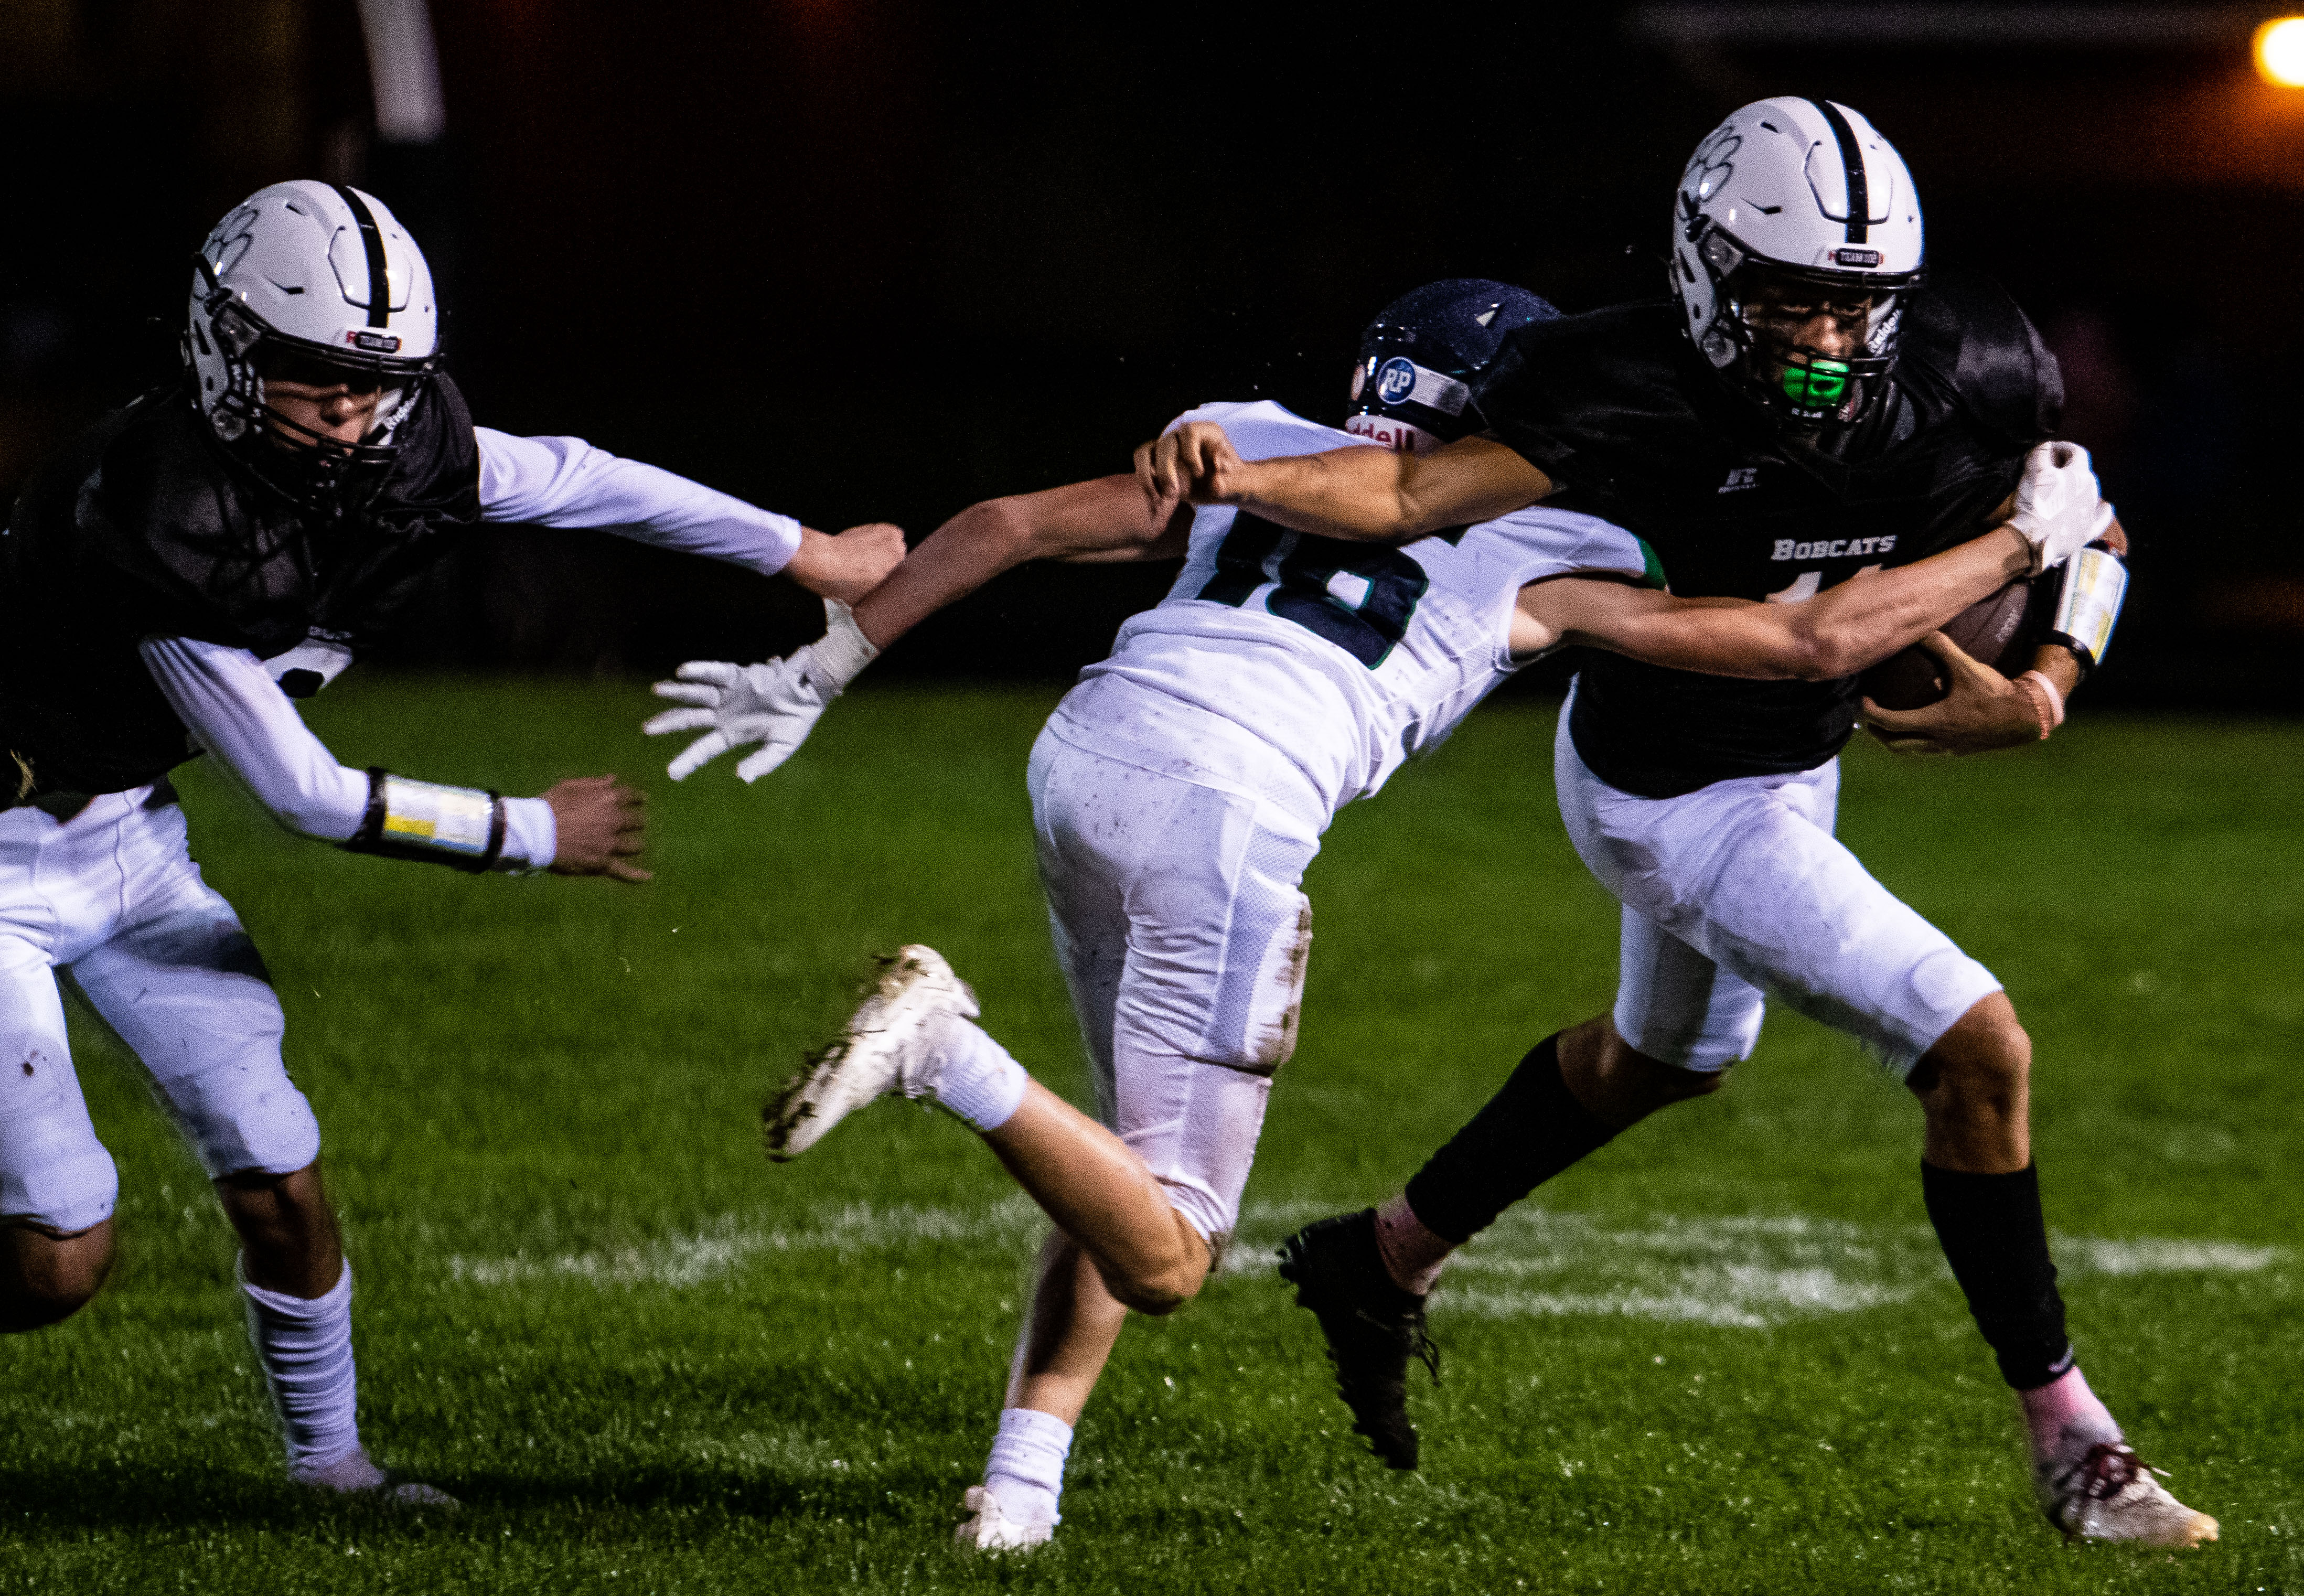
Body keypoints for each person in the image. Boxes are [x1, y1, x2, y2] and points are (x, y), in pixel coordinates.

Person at [648, 274, 2109, 1550]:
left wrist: (823, 666)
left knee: (1112, 1158)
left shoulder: (1250, 440)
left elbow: (1007, 524)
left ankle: (1021, 1485)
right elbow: (1806, 642)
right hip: (1224, 820)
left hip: (1079, 760)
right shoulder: (1557, 542)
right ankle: (944, 1053)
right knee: (1169, 1248)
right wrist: (2013, 565)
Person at [1139, 99, 2192, 1549]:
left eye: (1854, 309)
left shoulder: (1967, 363)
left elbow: (2094, 525)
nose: (1826, 342)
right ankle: (2076, 1442)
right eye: (1790, 303)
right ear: (1704, 271)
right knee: (1979, 1048)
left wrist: (2048, 684)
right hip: (1668, 788)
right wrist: (1235, 470)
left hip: (1791, 757)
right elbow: (1408, 489)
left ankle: (1377, 1258)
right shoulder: (1615, 379)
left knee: (1665, 1057)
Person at [0, 180, 902, 1501]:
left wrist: (806, 553)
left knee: (281, 1175)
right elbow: (303, 793)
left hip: (127, 832)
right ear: (223, 347)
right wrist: (533, 831)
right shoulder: (156, 511)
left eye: (376, 381)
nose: (351, 411)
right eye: (316, 377)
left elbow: (581, 479)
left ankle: (332, 1471)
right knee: (58, 1259)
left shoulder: (392, 435)